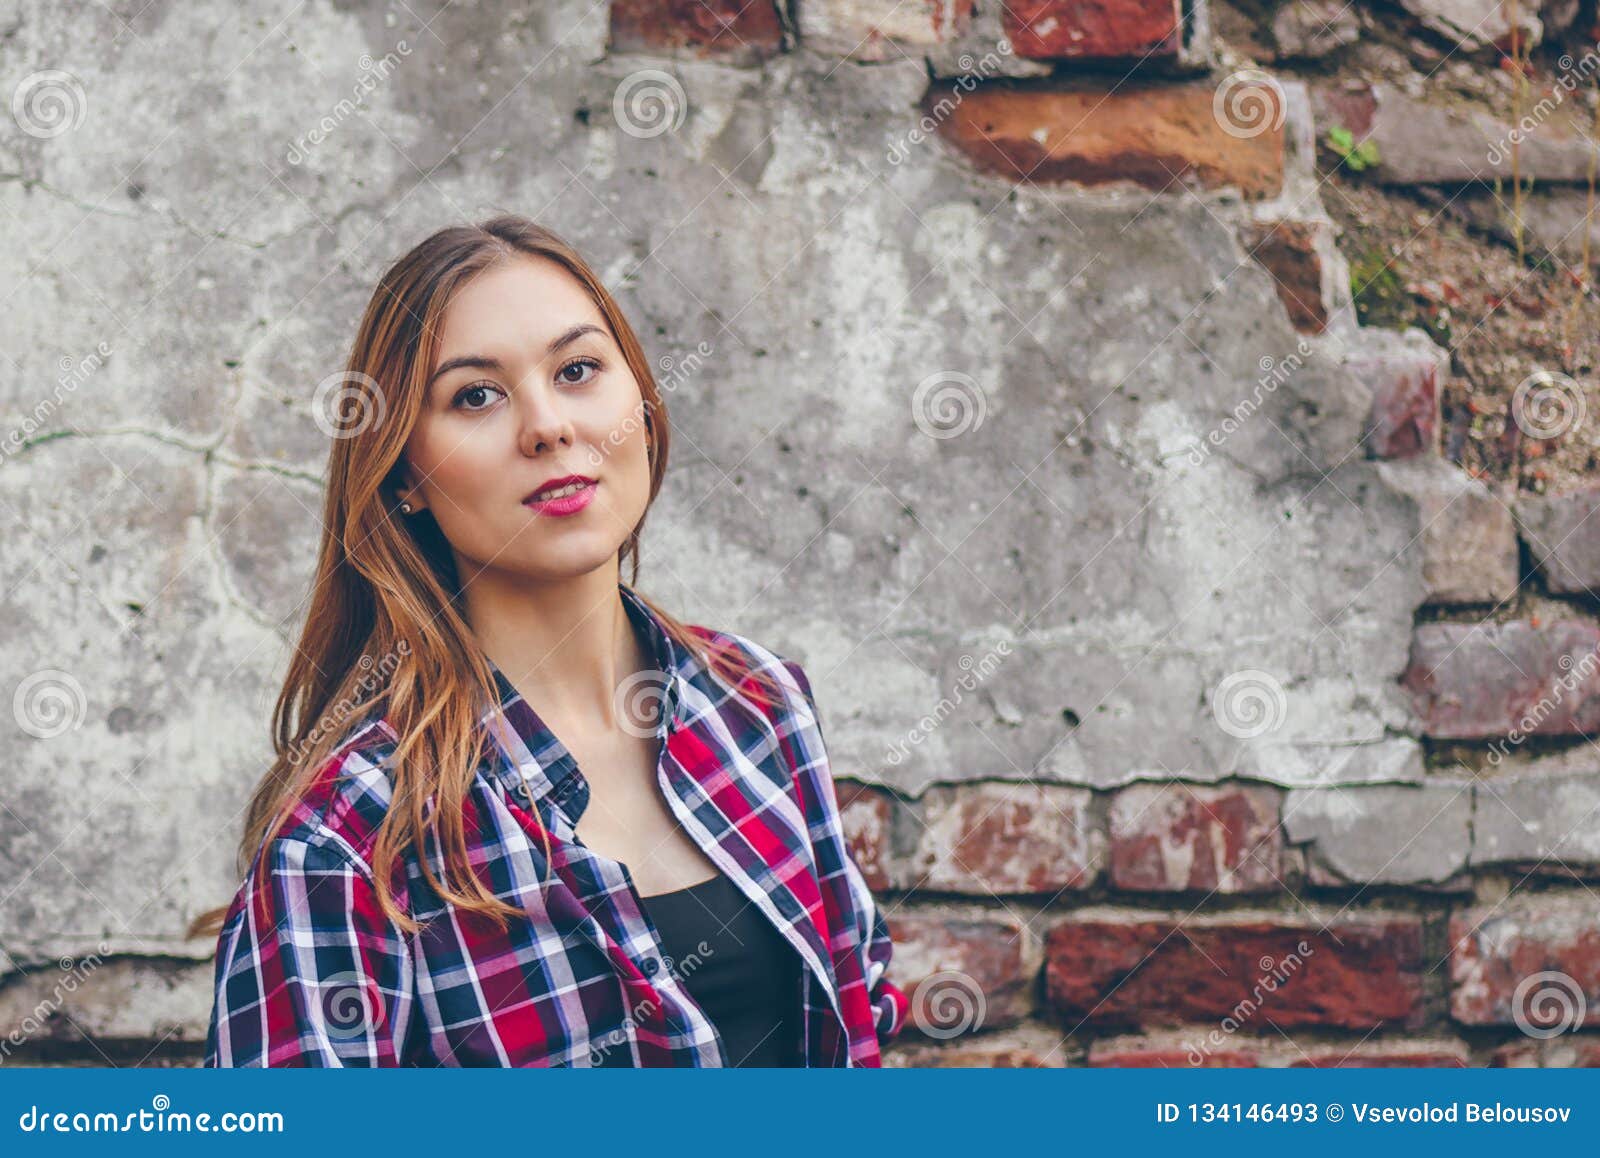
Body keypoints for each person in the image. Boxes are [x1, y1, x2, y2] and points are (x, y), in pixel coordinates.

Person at [189, 215, 909, 1067]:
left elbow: (858, 1030)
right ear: (405, 475)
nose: (547, 427)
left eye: (577, 371)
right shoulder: (349, 836)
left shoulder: (760, 702)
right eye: (476, 396)